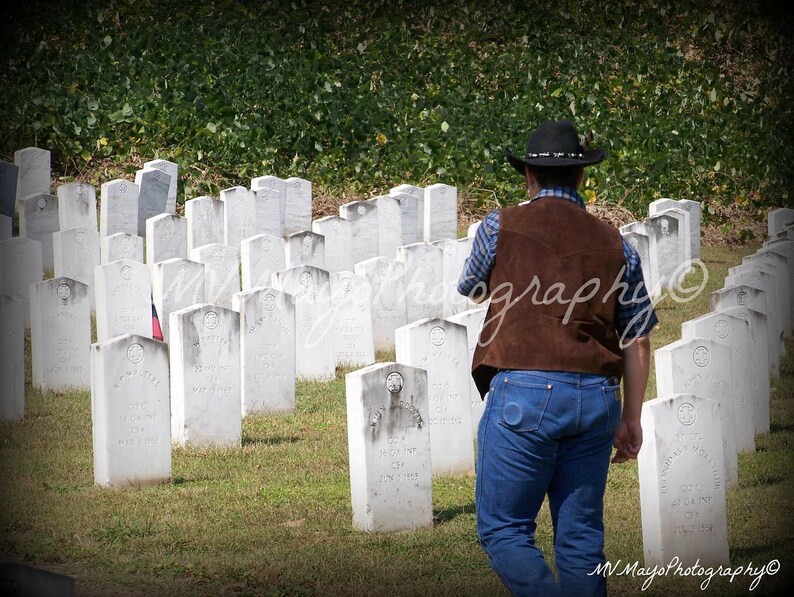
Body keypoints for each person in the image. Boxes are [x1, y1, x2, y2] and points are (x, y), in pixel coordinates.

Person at [457, 119, 657, 597]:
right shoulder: (617, 243)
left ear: (527, 175)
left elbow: (472, 288)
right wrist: (631, 418)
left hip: (524, 393)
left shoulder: (499, 224)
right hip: (596, 399)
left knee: (504, 530)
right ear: (582, 178)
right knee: (582, 539)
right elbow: (639, 338)